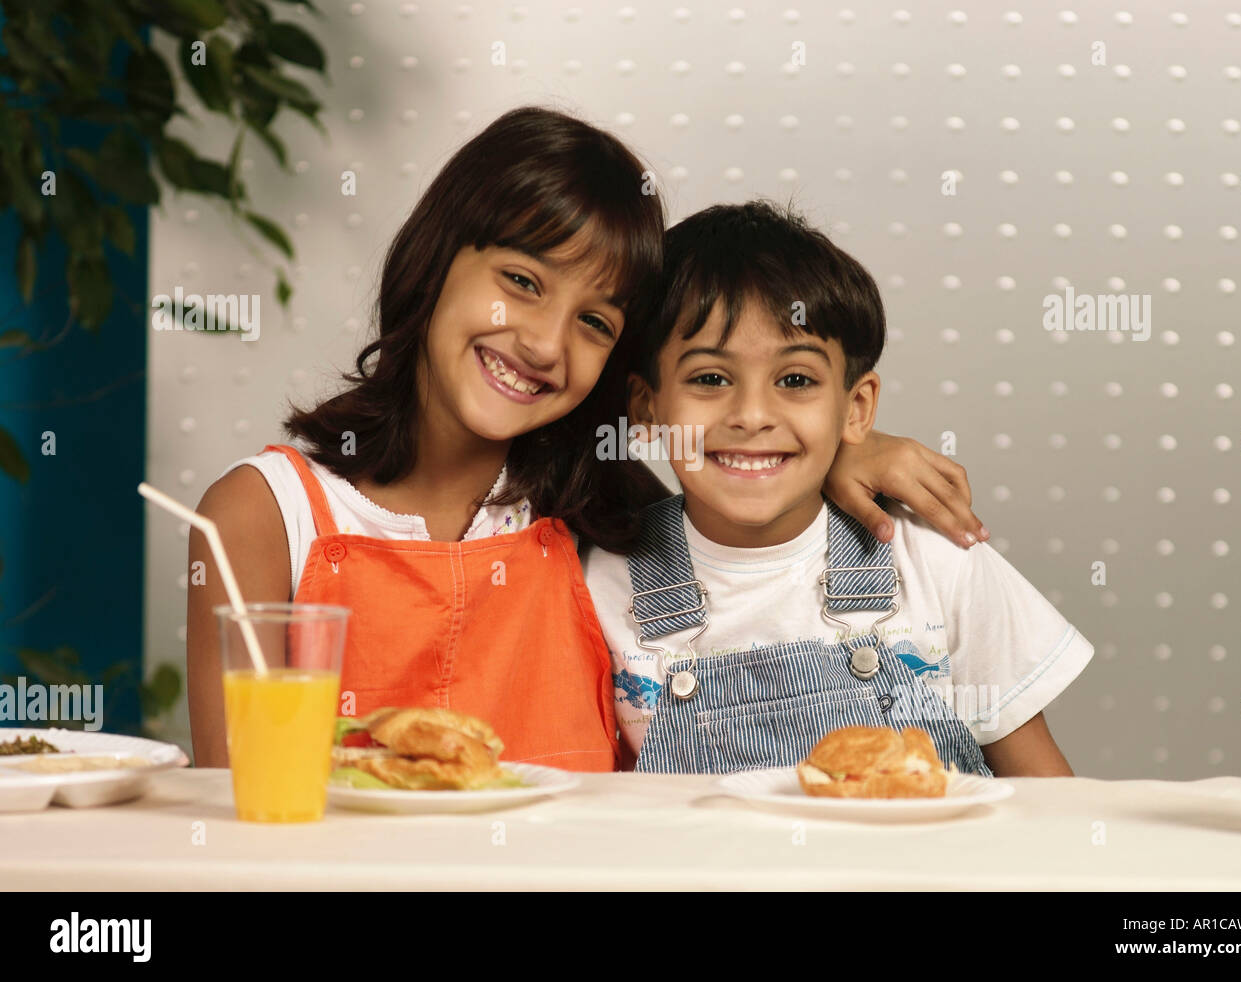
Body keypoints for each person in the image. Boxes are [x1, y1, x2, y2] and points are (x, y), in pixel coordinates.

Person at [187, 106, 988, 770]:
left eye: (595, 322)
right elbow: (241, 812)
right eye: (522, 283)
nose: (543, 343)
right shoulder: (261, 517)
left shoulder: (598, 512)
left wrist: (847, 453)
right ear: (436, 260)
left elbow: (746, 500)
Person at [582, 199, 1094, 776]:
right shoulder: (598, 589)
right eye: (710, 378)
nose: (751, 415)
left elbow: (1050, 803)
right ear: (647, 406)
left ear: (856, 409)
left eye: (795, 380)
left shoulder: (935, 562)